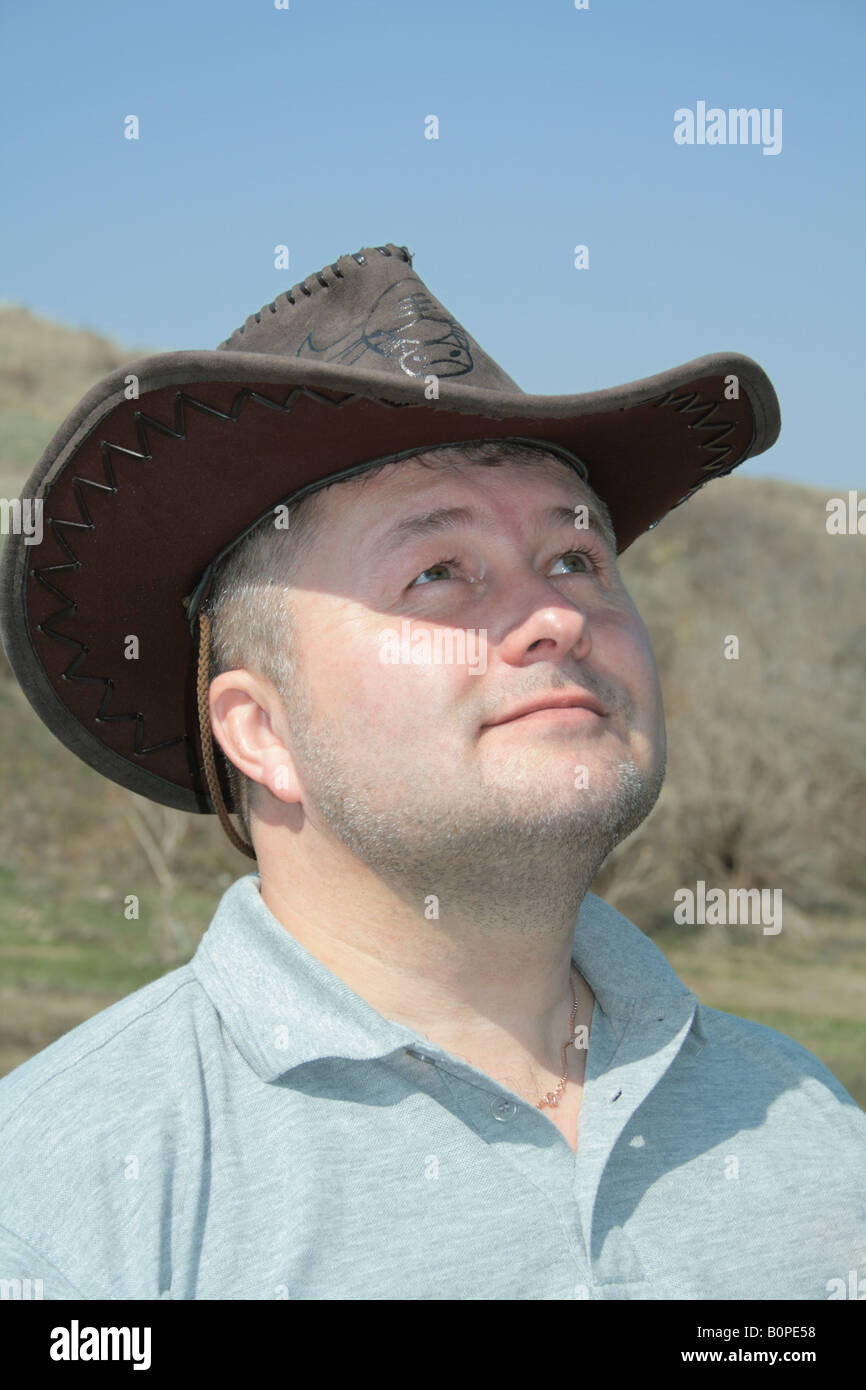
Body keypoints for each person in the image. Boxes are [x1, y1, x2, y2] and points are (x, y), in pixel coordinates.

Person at [0, 243, 862, 1301]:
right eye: (438, 572)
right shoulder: (63, 1209)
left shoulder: (808, 1128)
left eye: (575, 559)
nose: (554, 617)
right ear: (260, 732)